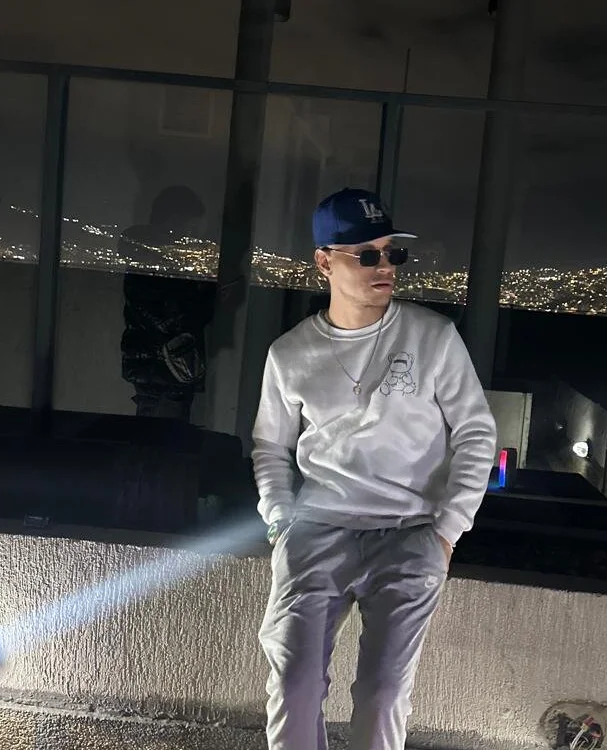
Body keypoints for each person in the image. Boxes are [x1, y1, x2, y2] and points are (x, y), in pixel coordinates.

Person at [252, 188, 497, 749]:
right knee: (293, 686)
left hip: (410, 533)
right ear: (324, 262)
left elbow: (477, 432)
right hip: (317, 530)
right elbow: (269, 445)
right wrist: (280, 520)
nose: (385, 266)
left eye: (392, 253)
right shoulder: (290, 354)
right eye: (366, 255)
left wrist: (448, 530)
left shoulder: (433, 338)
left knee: (384, 695)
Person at [120, 186, 216, 420]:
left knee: (157, 435)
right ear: (173, 222)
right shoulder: (157, 264)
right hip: (165, 370)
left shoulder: (149, 260)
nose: (192, 237)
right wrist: (208, 296)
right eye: (189, 228)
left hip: (160, 369)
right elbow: (174, 321)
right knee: (162, 435)